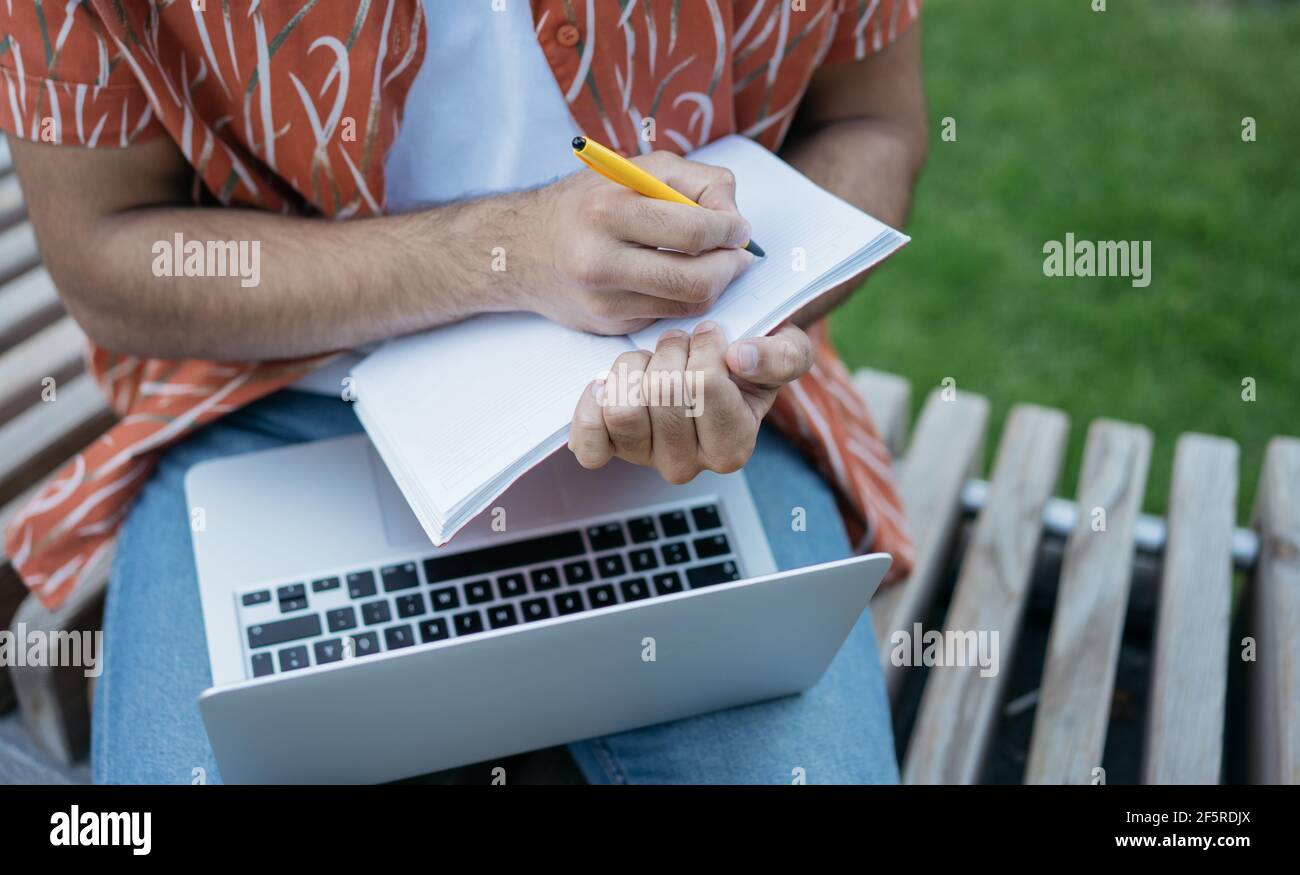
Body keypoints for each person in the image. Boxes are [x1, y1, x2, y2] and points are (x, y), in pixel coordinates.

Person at [0, 0, 928, 784]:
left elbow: (871, 123)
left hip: (697, 410)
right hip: (274, 407)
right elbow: (104, 249)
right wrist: (509, 249)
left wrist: (722, 330)